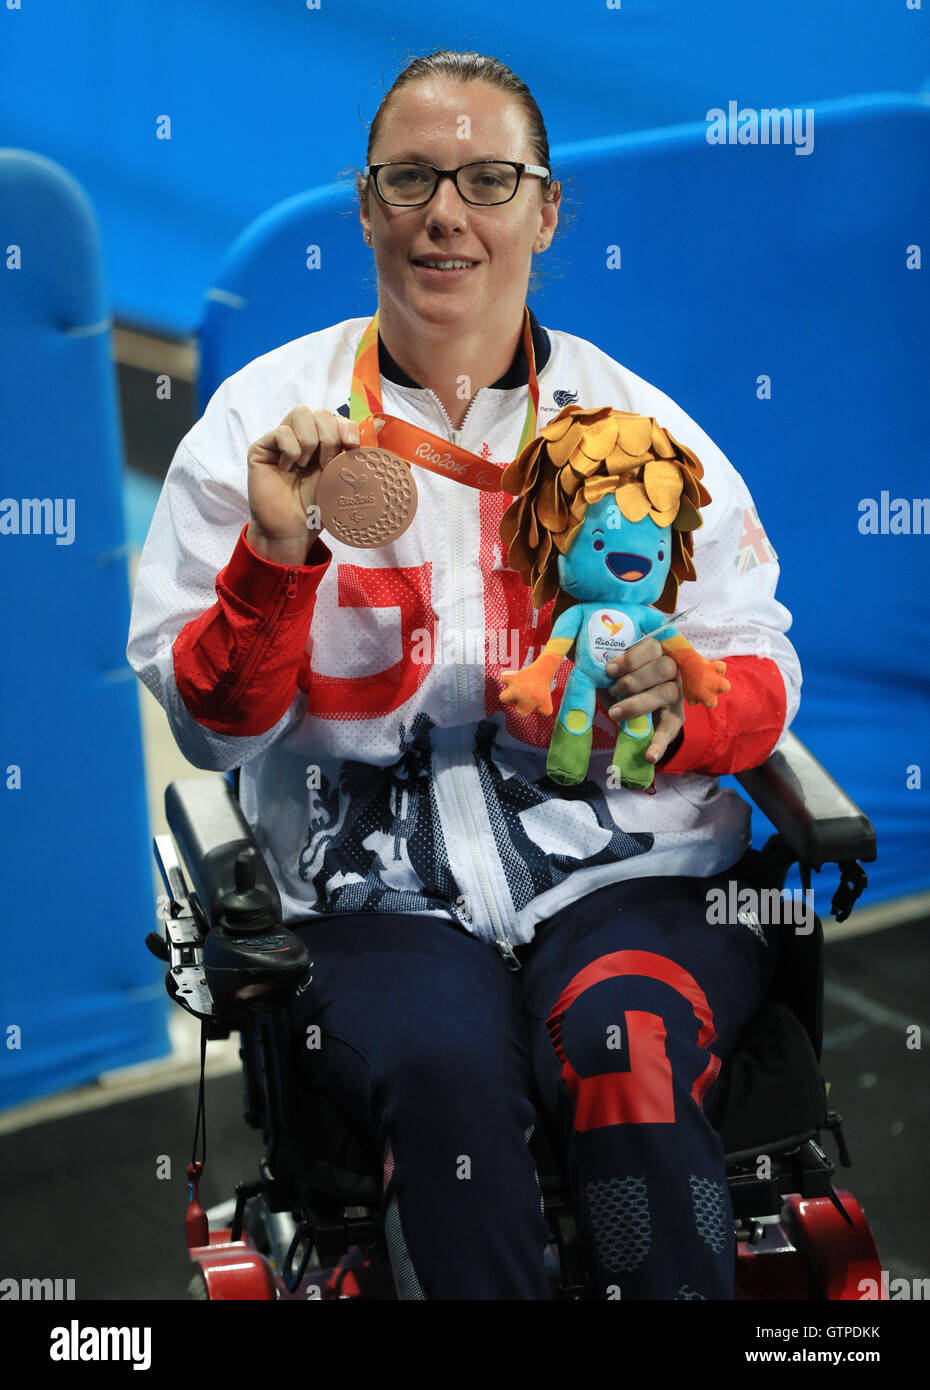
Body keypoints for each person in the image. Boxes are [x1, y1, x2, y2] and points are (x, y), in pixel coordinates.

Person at [127, 50, 801, 1300]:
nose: (448, 212)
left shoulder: (639, 432)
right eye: (411, 179)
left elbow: (763, 661)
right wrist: (278, 553)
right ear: (366, 206)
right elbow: (217, 729)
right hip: (369, 902)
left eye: (490, 179)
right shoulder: (255, 430)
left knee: (627, 1047)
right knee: (444, 1084)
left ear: (547, 211)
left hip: (633, 880)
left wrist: (691, 698)